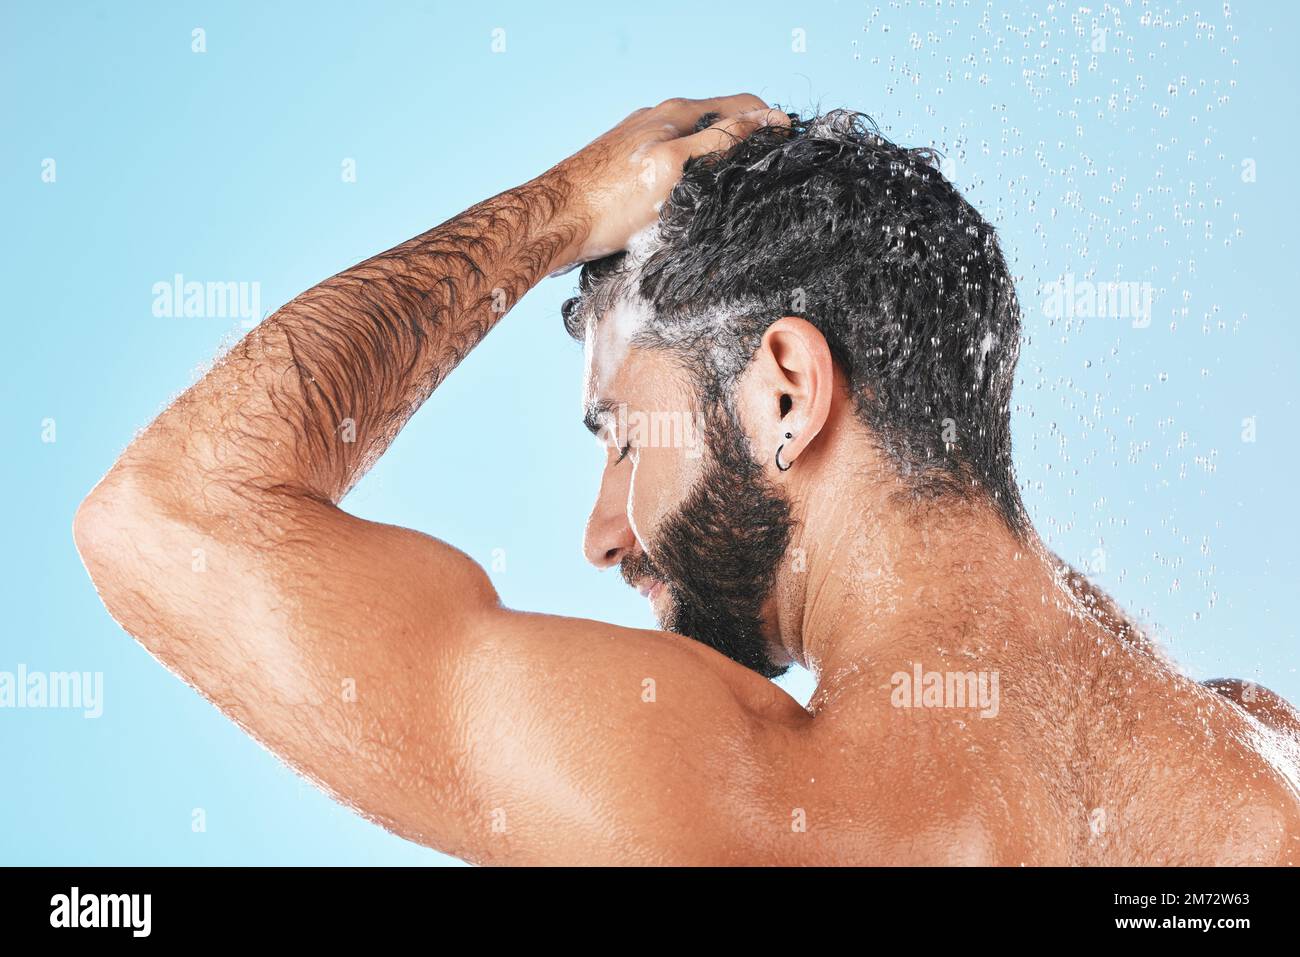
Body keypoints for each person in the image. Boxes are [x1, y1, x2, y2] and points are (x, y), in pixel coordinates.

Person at [74, 94, 1300, 865]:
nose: (604, 533)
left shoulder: (739, 798)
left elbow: (170, 517)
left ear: (783, 392)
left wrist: (559, 204)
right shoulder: (1259, 752)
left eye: (622, 437)